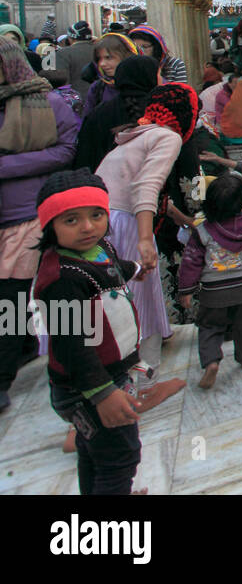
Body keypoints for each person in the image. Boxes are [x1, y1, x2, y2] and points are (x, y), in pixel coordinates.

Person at [32, 170, 147, 494]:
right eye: (71, 220)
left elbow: (112, 266)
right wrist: (103, 394)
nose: (87, 227)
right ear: (50, 225)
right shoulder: (62, 279)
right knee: (120, 456)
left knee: (93, 450)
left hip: (104, 377)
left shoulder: (96, 248)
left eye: (96, 215)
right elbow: (72, 346)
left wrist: (135, 269)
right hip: (87, 386)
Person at [94, 83, 197, 413]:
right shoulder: (168, 138)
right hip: (127, 228)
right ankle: (143, 389)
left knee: (113, 309)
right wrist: (142, 239)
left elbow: (138, 190)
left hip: (102, 226)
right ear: (186, 115)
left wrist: (184, 221)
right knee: (143, 308)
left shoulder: (132, 136)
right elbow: (146, 187)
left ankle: (99, 395)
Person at [0, 39, 81, 412]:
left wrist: (7, 167)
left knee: (13, 300)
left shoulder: (46, 103)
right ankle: (27, 348)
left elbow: (67, 149)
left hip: (27, 216)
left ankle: (3, 377)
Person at [178, 174, 242, 389]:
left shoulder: (202, 231)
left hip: (213, 292)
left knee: (210, 325)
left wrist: (186, 290)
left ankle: (211, 361)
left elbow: (191, 262)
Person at [83, 33, 141, 115]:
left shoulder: (147, 83)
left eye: (108, 58)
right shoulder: (98, 88)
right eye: (99, 58)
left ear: (126, 56)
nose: (102, 64)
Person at [55, 21, 98, 100]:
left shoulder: (63, 53)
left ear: (70, 38)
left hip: (77, 101)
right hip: (100, 98)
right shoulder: (100, 50)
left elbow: (62, 80)